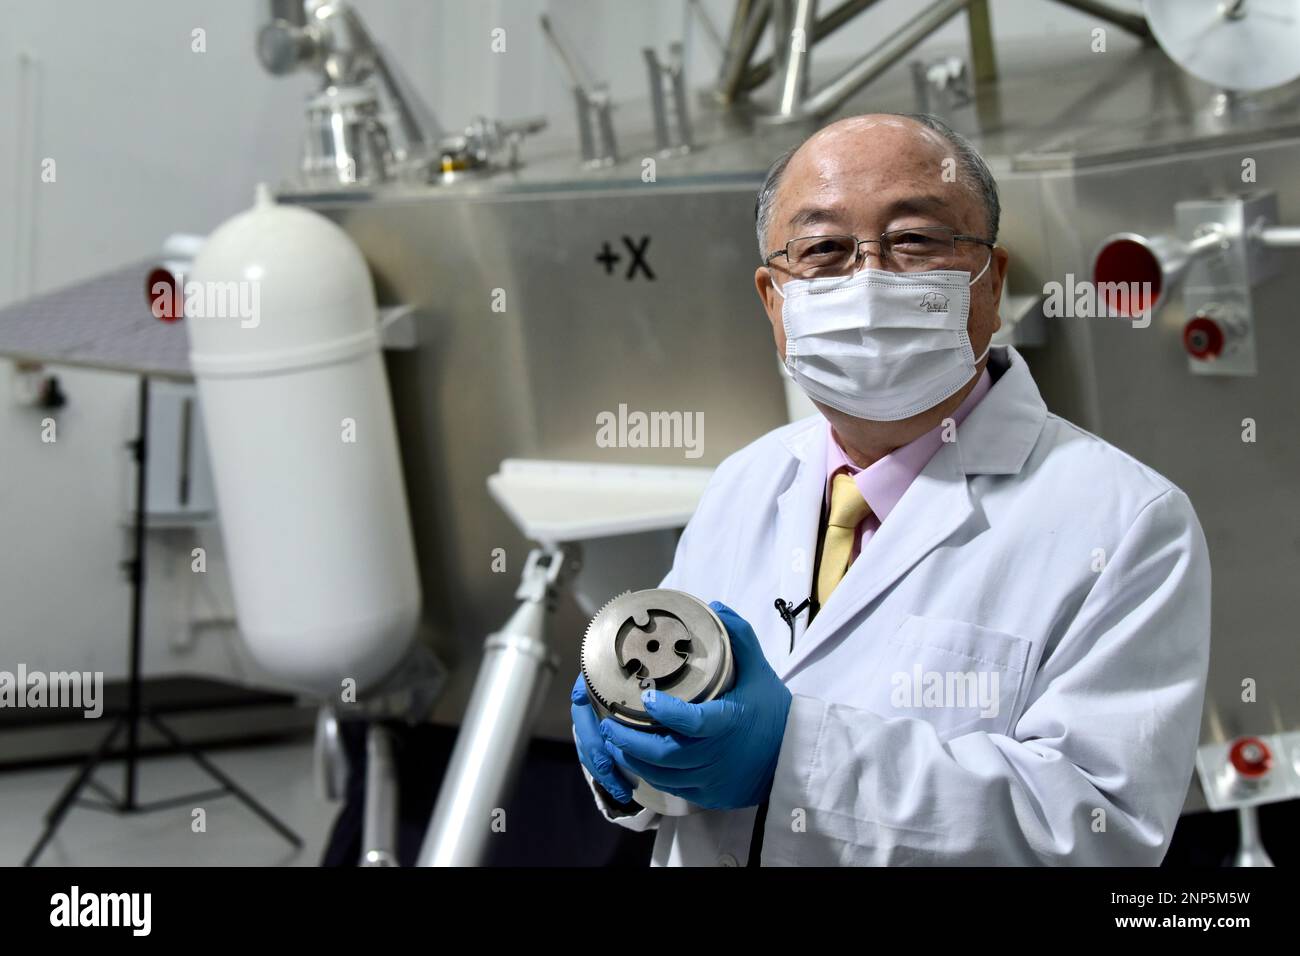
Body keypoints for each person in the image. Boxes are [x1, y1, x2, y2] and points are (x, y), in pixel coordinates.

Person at [571, 113, 1210, 866]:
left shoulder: (1129, 523)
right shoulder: (746, 481)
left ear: (991, 281)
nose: (868, 278)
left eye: (915, 240)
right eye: (823, 250)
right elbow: (682, 713)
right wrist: (635, 760)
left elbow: (1097, 831)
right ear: (775, 301)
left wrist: (796, 759)